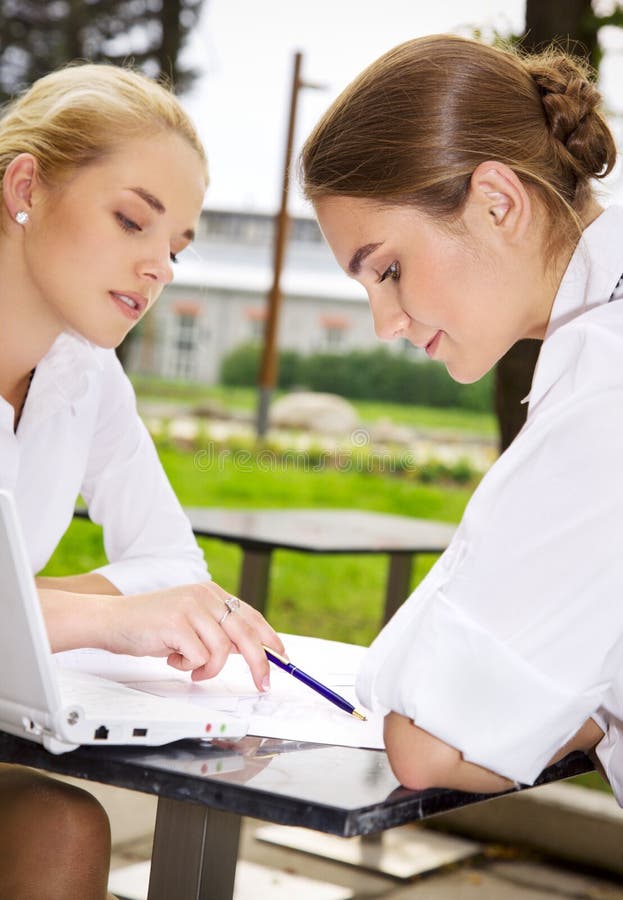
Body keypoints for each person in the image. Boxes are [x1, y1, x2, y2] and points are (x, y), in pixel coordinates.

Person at [300, 34, 623, 803]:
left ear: (496, 201)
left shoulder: (603, 385)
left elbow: (430, 742)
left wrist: (573, 715)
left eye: (387, 269)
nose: (382, 321)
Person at [0, 62, 284, 899]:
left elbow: (172, 570)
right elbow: (136, 601)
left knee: (61, 826)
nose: (158, 267)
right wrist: (100, 617)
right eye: (133, 221)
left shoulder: (85, 374)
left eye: (175, 247)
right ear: (26, 186)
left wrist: (33, 608)